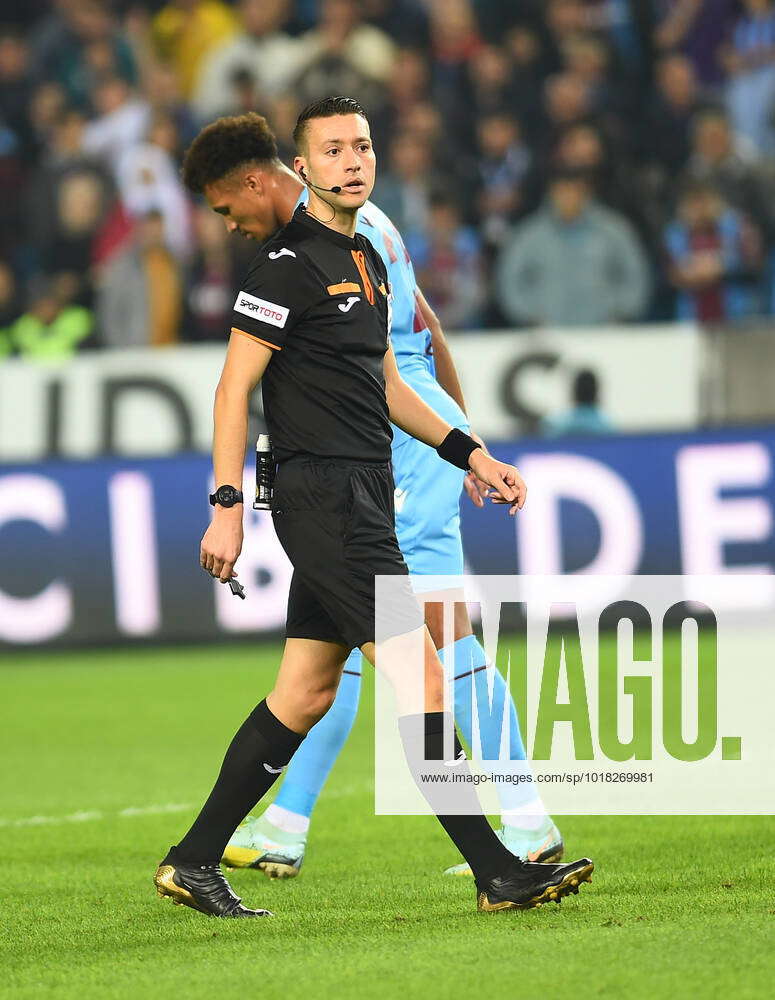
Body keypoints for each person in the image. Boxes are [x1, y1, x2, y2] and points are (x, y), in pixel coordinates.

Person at [154, 96, 593, 919]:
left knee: (306, 692)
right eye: (333, 150)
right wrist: (225, 506)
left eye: (362, 146)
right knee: (420, 673)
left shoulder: (367, 261)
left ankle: (193, 860)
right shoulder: (282, 266)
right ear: (304, 167)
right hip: (324, 502)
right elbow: (230, 390)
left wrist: (472, 452)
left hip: (362, 495)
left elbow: (392, 386)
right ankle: (500, 870)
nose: (352, 160)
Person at [495, 167, 650, 326]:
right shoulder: (529, 235)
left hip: (605, 332)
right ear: (551, 194)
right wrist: (530, 314)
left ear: (586, 193)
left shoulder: (614, 230)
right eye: (562, 192)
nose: (568, 198)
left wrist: (620, 312)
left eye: (574, 192)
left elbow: (636, 274)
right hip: (548, 332)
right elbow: (509, 280)